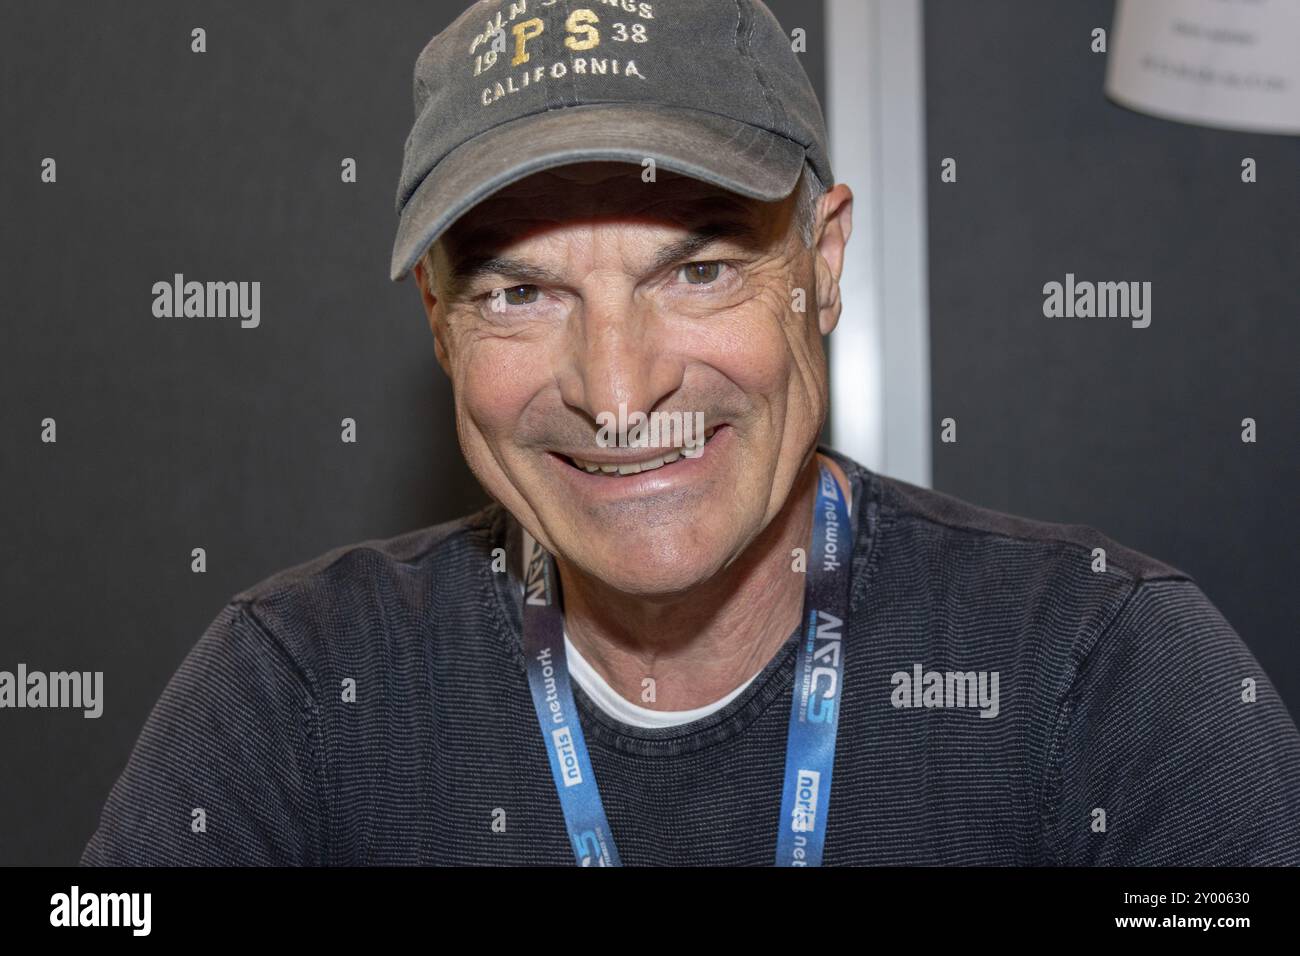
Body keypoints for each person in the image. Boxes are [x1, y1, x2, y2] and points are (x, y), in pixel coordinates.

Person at [82, 0, 1300, 866]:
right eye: (519, 291)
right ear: (439, 325)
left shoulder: (1099, 670)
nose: (617, 385)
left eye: (699, 268)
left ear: (821, 266)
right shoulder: (294, 689)